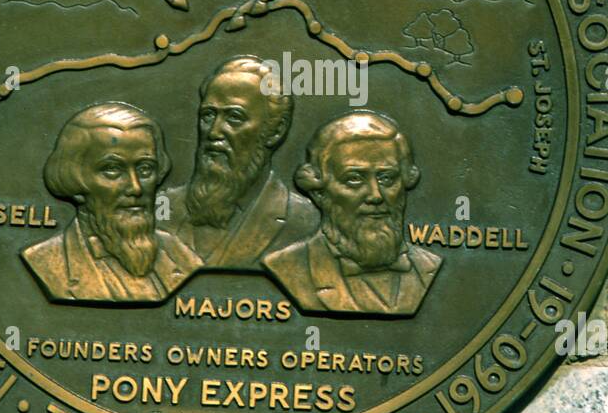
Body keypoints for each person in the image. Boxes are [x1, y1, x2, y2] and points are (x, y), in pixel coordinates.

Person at [262, 111, 441, 316]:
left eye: (387, 178)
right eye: (354, 179)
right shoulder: (289, 266)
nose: (375, 195)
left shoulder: (428, 267)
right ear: (319, 191)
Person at [21, 102, 200, 303]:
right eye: (113, 169)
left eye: (145, 169)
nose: (136, 188)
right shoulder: (44, 261)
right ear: (74, 179)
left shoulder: (180, 254)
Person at [164, 56, 318, 267]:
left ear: (276, 130)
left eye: (234, 117)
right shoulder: (163, 209)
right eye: (208, 116)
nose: (214, 132)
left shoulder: (305, 221)